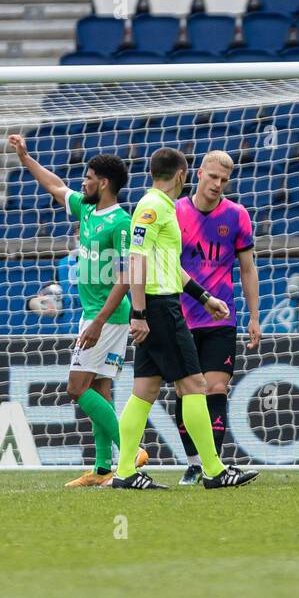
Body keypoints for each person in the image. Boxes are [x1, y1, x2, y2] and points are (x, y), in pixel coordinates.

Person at [110, 148, 257, 490]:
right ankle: (213, 469)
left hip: (163, 304)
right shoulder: (155, 208)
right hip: (160, 309)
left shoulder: (159, 208)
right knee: (195, 386)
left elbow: (169, 267)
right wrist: (140, 313)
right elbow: (136, 259)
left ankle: (125, 472)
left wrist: (204, 298)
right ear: (182, 175)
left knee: (144, 391)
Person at [9, 133, 147, 487]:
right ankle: (103, 470)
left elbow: (129, 274)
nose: (82, 181)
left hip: (109, 317)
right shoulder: (87, 208)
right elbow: (55, 186)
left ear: (103, 183)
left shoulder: (121, 222)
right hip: (95, 315)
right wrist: (26, 159)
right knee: (99, 389)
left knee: (75, 388)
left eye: (87, 176)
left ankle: (130, 451)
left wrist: (100, 321)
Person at [174, 150, 260, 485]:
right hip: (180, 316)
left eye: (224, 180)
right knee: (186, 392)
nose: (218, 184)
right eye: (213, 177)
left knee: (216, 387)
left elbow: (248, 268)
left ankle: (215, 465)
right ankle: (195, 462)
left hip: (221, 317)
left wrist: (254, 316)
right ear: (198, 174)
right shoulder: (176, 212)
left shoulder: (237, 215)